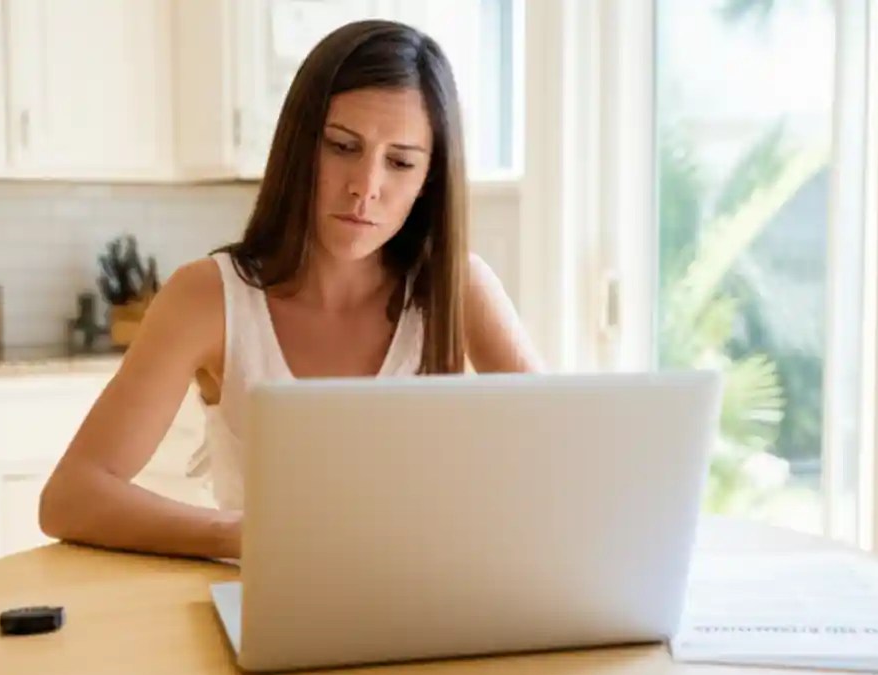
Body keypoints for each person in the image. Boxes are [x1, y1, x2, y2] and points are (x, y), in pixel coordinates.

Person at [38, 19, 540, 560]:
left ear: (428, 180)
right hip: (264, 610)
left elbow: (560, 463)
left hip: (431, 599)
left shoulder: (456, 287)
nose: (365, 187)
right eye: (343, 146)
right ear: (300, 146)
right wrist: (238, 534)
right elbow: (71, 497)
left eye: (399, 162)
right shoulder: (206, 298)